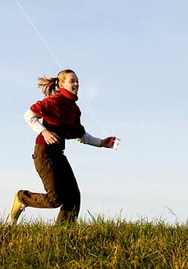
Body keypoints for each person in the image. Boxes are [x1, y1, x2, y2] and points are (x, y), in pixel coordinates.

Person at [8, 68, 117, 225]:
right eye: (72, 81)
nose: (76, 84)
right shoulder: (54, 101)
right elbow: (29, 115)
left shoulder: (74, 109)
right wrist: (44, 132)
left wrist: (101, 143)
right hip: (44, 153)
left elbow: (81, 136)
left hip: (58, 154)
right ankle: (22, 198)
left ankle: (63, 232)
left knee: (73, 196)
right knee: (55, 199)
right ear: (61, 84)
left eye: (77, 81)